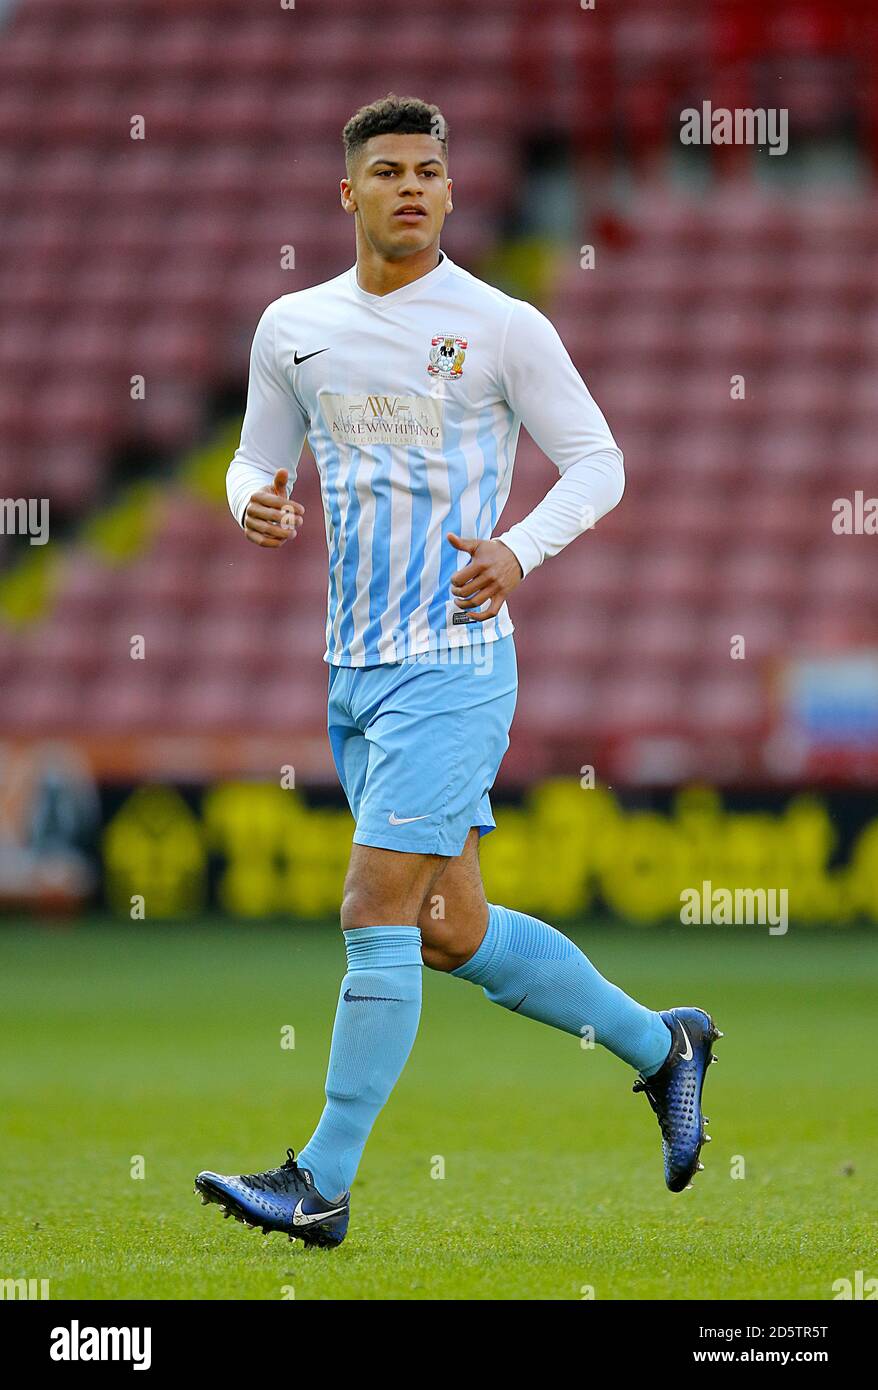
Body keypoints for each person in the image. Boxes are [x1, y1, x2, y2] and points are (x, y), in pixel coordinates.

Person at [195, 94, 721, 1248]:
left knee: (371, 909)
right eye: (388, 171)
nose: (413, 188)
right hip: (352, 672)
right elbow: (250, 457)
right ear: (349, 191)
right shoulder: (292, 326)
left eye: (429, 170)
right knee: (448, 928)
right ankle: (663, 1045)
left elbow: (598, 461)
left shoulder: (499, 326)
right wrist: (253, 503)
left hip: (454, 664)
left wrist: (518, 549)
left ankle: (318, 1180)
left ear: (449, 186)